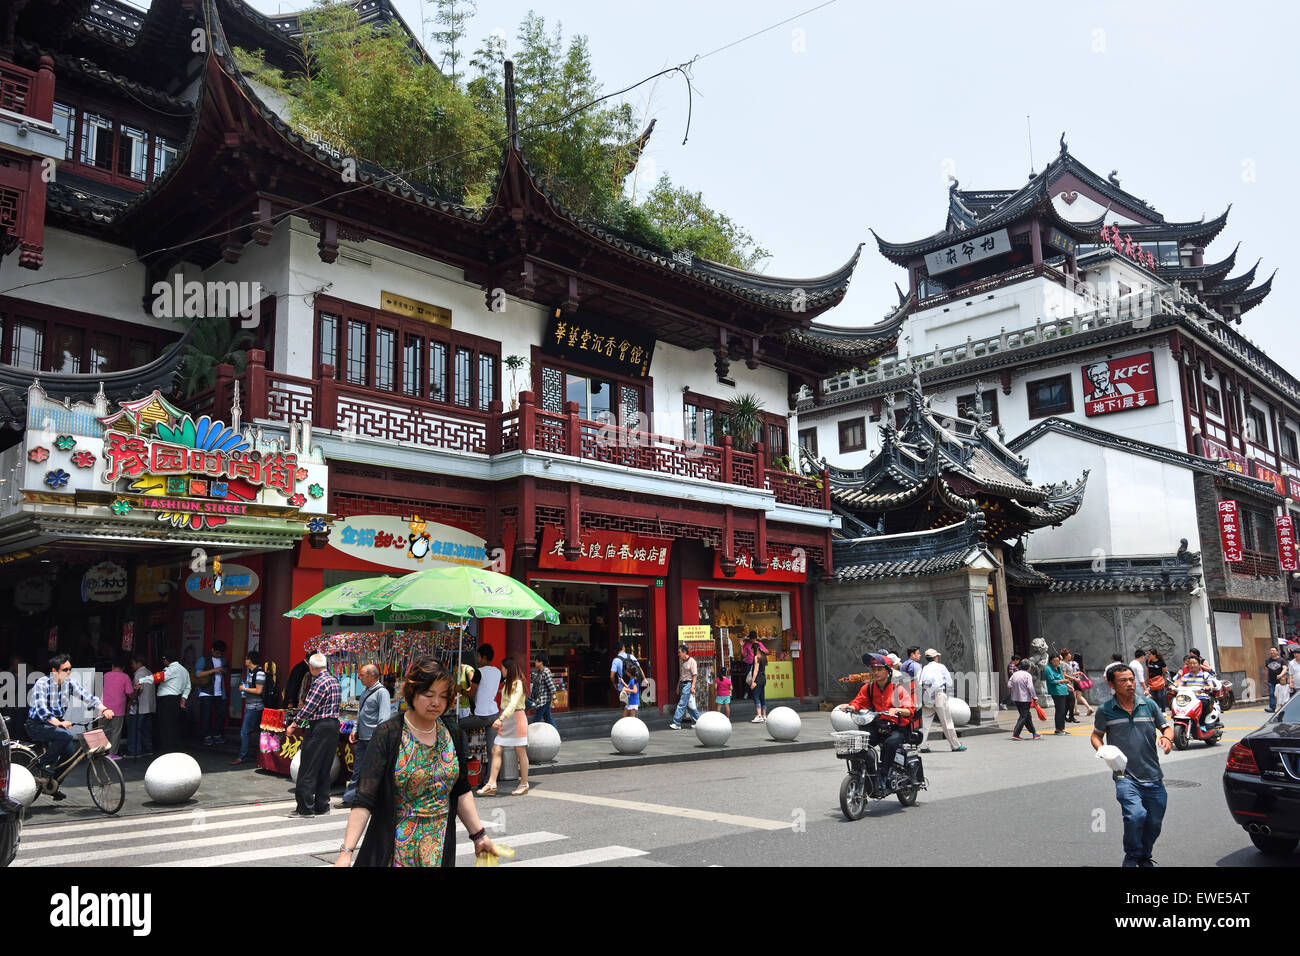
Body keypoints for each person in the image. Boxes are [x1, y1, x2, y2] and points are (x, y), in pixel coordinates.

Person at [333, 656, 497, 867]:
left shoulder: (452, 733)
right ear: (412, 693)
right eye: (429, 694)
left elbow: (460, 789)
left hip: (439, 846)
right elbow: (365, 797)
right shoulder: (389, 733)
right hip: (394, 847)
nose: (436, 702)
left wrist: (479, 835)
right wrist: (346, 852)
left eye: (443, 696)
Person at [1091, 663, 1174, 867]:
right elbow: (1096, 735)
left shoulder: (1149, 705)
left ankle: (1145, 855)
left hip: (1154, 776)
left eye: (1131, 679)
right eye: (1123, 680)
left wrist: (1167, 739)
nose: (1129, 684)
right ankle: (1133, 855)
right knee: (1135, 815)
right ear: (1111, 684)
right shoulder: (1105, 711)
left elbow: (1166, 728)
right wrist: (1102, 750)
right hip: (1125, 776)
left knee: (1154, 823)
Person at [26, 654, 115, 782]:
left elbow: (87, 696)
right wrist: (58, 723)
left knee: (70, 754)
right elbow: (41, 709)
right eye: (65, 669)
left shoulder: (69, 683)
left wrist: (104, 709)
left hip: (55, 724)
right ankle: (43, 762)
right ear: (54, 671)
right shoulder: (42, 683)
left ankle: (54, 783)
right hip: (37, 724)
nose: (69, 672)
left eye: (70, 669)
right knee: (66, 736)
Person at [835, 654, 915, 780]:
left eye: (879, 669)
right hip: (877, 726)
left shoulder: (897, 689)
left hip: (896, 728)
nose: (876, 672)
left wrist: (897, 709)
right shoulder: (869, 688)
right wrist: (851, 707)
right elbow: (859, 702)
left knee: (890, 743)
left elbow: (910, 710)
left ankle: (884, 774)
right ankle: (863, 774)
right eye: (874, 670)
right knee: (859, 745)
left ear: (888, 671)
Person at [285, 653, 340, 818]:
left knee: (308, 767)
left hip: (319, 727)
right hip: (332, 726)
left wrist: (294, 724)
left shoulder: (319, 683)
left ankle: (305, 808)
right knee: (324, 767)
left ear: (312, 667)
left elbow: (309, 708)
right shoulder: (334, 680)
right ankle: (322, 805)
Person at [477, 658, 531, 797]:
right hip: (507, 719)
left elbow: (513, 704)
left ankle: (524, 784)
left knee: (520, 751)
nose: (501, 671)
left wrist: (500, 719)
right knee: (496, 749)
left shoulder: (517, 683)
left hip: (516, 719)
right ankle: (491, 784)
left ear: (508, 669)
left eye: (502, 668)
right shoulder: (508, 682)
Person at [341, 663, 391, 805]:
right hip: (362, 737)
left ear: (371, 675)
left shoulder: (382, 693)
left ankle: (374, 799)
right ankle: (350, 798)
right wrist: (355, 730)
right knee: (358, 769)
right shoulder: (365, 692)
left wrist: (379, 737)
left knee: (374, 770)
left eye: (362, 675)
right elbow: (360, 713)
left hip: (373, 738)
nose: (359, 677)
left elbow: (384, 718)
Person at [142, 652, 191, 755]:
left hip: (167, 700)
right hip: (176, 699)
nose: (163, 662)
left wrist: (142, 680)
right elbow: (188, 686)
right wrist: (183, 698)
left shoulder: (171, 669)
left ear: (167, 660)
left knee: (165, 726)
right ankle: (178, 748)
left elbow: (159, 677)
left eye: (164, 660)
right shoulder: (184, 670)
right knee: (173, 724)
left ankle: (169, 750)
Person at [918, 649, 966, 752]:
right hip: (939, 695)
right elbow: (949, 683)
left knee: (925, 723)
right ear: (935, 657)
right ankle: (955, 745)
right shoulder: (941, 667)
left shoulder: (924, 668)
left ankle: (923, 745)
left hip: (927, 696)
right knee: (946, 721)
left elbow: (920, 683)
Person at [460, 644, 501, 758]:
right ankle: (491, 775)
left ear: (484, 657)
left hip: (483, 716)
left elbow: (471, 693)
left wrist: (460, 690)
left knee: (459, 725)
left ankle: (467, 756)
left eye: (478, 656)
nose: (477, 659)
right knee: (491, 749)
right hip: (494, 714)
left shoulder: (479, 672)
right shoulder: (497, 671)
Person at [231, 650, 267, 766]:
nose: (245, 660)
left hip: (255, 706)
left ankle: (243, 756)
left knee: (245, 732)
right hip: (251, 705)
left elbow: (259, 690)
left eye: (246, 658)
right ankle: (255, 756)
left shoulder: (259, 673)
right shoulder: (251, 672)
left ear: (250, 660)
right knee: (251, 731)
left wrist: (244, 689)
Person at [196, 640, 230, 746]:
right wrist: (213, 670)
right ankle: (206, 736)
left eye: (220, 653)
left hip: (220, 692)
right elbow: (198, 674)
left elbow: (227, 672)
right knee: (206, 716)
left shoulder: (224, 660)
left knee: (222, 714)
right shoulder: (204, 659)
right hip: (206, 692)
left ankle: (216, 734)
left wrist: (224, 671)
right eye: (217, 653)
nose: (219, 655)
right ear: (212, 650)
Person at [101, 656, 133, 760]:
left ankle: (102, 751)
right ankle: (112, 754)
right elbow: (129, 693)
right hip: (118, 709)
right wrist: (134, 697)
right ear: (123, 668)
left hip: (104, 708)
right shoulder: (125, 677)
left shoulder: (106, 675)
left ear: (112, 666)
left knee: (104, 730)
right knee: (116, 731)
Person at [126, 652, 155, 758]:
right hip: (149, 707)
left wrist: (130, 700)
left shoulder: (139, 673)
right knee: (145, 730)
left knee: (134, 729)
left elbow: (138, 690)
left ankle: (134, 751)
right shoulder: (149, 672)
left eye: (133, 663)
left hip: (140, 707)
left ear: (138, 663)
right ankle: (147, 749)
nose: (132, 665)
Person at [669, 644, 702, 730]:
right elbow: (681, 676)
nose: (678, 654)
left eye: (679, 652)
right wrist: (678, 686)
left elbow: (694, 675)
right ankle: (698, 721)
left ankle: (677, 723)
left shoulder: (692, 661)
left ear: (684, 652)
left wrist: (693, 686)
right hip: (683, 684)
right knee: (689, 705)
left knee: (682, 703)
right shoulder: (683, 662)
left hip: (688, 684)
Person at [1008, 658, 1040, 740]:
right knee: (1023, 716)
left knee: (1027, 716)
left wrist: (1016, 689)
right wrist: (1035, 697)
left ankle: (1034, 733)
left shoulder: (1015, 674)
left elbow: (1009, 685)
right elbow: (1030, 687)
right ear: (1029, 667)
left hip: (1016, 698)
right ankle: (1016, 734)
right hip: (1025, 699)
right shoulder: (1027, 675)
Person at [610, 642, 642, 717]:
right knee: (631, 711)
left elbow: (611, 676)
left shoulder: (616, 660)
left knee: (626, 708)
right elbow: (640, 669)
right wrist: (644, 679)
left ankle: (625, 726)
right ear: (623, 647)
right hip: (631, 686)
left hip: (623, 689)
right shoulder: (632, 656)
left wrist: (615, 684)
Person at [1044, 654, 1072, 734]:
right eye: (1054, 661)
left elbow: (1062, 678)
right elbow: (1052, 681)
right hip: (1056, 691)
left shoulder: (1059, 667)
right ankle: (1058, 729)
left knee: (1063, 710)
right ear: (1051, 661)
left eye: (1058, 661)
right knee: (1059, 710)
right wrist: (1064, 681)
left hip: (1063, 690)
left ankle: (1061, 728)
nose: (1056, 663)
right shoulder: (1048, 669)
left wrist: (1068, 685)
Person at [528, 654, 558, 728]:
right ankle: (556, 734)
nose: (534, 662)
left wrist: (555, 698)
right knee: (548, 718)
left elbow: (551, 686)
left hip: (544, 700)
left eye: (536, 661)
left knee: (535, 720)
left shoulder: (546, 671)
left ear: (541, 662)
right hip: (540, 700)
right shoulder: (539, 672)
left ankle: (529, 736)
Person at [749, 641, 769, 723]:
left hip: (758, 679)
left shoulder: (757, 657)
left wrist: (753, 680)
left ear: (754, 649)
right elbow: (766, 665)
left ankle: (759, 715)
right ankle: (764, 716)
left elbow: (756, 670)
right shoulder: (763, 656)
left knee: (756, 697)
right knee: (762, 697)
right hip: (763, 678)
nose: (752, 652)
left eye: (752, 650)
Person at [1059, 649, 1081, 722]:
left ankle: (1066, 716)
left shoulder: (1068, 663)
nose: (1070, 655)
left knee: (1069, 702)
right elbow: (1064, 675)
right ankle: (1069, 717)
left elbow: (1069, 673)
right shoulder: (1063, 664)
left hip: (1070, 684)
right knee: (1071, 700)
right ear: (1065, 656)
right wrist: (1074, 679)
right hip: (1066, 684)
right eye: (1069, 654)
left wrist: (1077, 673)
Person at [1264, 646, 1285, 712]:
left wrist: (1281, 675)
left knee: (1282, 693)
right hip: (1271, 680)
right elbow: (1266, 670)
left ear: (1277, 651)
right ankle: (1272, 708)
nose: (1272, 652)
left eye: (1273, 650)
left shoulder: (1281, 660)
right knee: (1271, 693)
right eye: (1271, 650)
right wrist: (1265, 679)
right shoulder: (1268, 661)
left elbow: (1285, 668)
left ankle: (1283, 707)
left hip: (1280, 680)